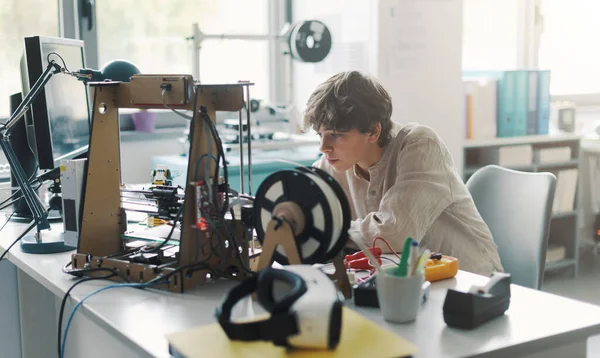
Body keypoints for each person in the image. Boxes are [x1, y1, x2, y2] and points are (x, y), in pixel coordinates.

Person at [304, 71, 503, 276]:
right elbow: (302, 207)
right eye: (320, 134)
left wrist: (326, 230)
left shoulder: (420, 145)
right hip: (405, 283)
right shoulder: (334, 162)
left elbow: (395, 233)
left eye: (336, 135)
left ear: (373, 131)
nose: (323, 147)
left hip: (470, 282)